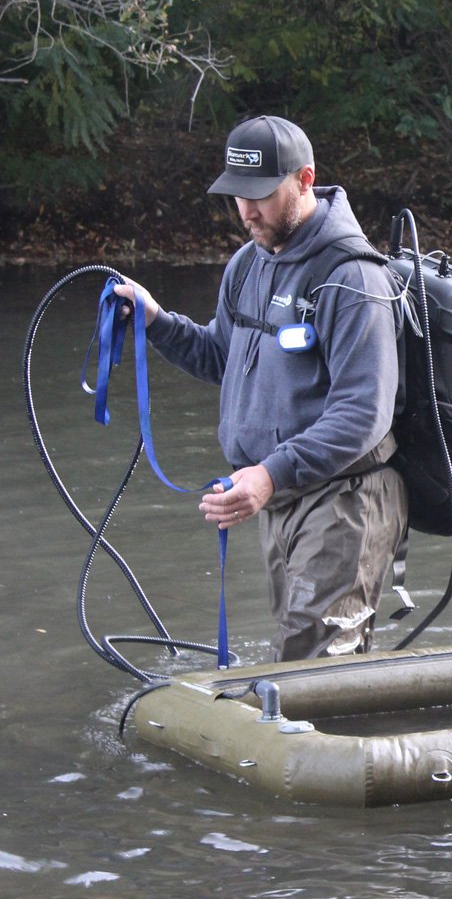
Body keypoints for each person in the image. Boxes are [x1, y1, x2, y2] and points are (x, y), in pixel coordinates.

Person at [114, 115, 409, 661]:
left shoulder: (354, 277)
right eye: (237, 197)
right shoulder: (248, 265)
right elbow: (219, 356)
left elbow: (363, 413)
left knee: (309, 668)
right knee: (307, 662)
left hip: (345, 501)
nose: (247, 211)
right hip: (280, 499)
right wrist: (153, 320)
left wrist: (268, 476)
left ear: (305, 180)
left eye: (262, 196)